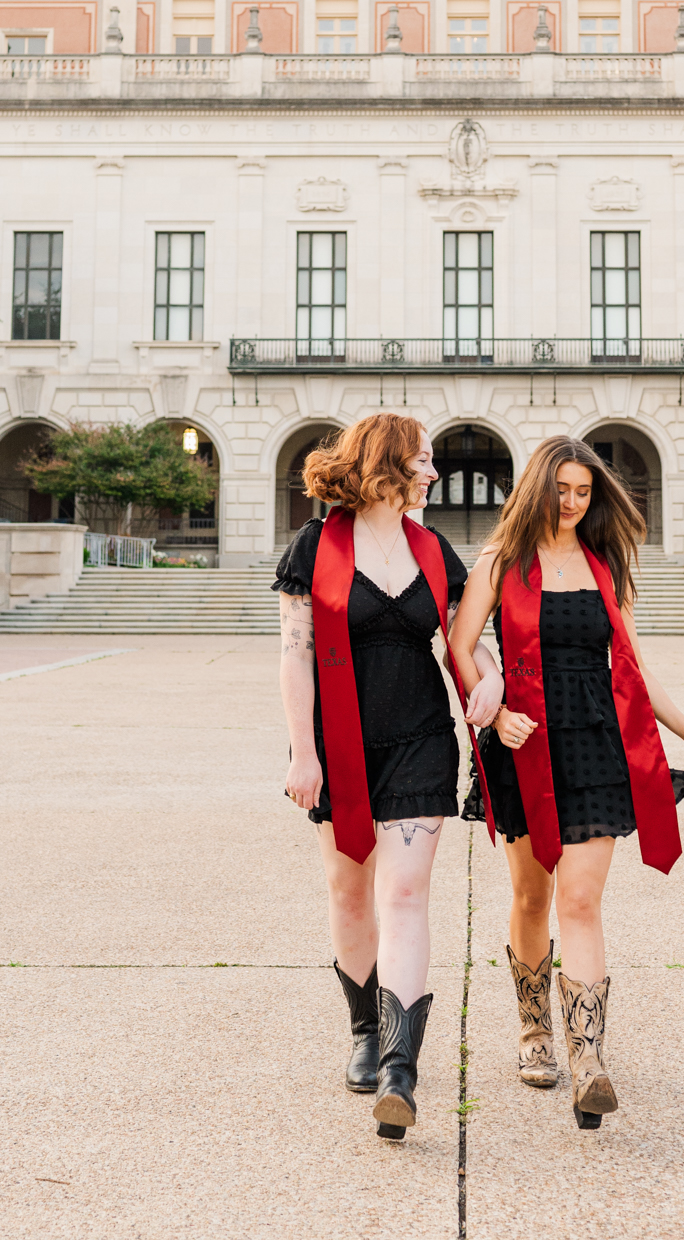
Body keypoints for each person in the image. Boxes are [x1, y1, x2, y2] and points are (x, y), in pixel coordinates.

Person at [451, 434, 684, 1130]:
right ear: (538, 487)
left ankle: (589, 1058)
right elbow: (459, 645)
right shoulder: (499, 563)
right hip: (525, 744)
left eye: (582, 492)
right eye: (561, 489)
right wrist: (497, 710)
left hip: (596, 742)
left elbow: (632, 663)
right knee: (531, 894)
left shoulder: (606, 567)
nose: (571, 503)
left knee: (580, 897)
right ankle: (534, 1031)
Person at [274, 413, 503, 1140]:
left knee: (404, 892)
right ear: (388, 464)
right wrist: (300, 754)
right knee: (349, 891)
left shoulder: (434, 550)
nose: (433, 473)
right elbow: (295, 654)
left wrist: (490, 682)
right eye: (424, 461)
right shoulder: (315, 545)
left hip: (420, 739)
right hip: (339, 743)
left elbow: (467, 639)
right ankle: (365, 1033)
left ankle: (401, 1065)